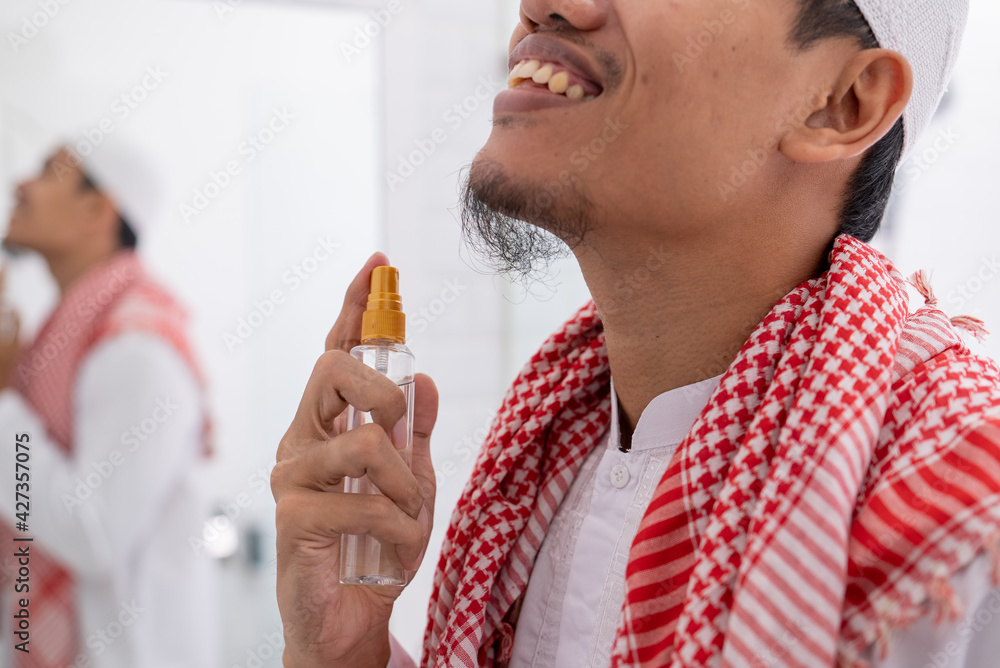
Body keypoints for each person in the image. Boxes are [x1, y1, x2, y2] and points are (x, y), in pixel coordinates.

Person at [271, 0, 1000, 666]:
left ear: (842, 105)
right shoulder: (549, 460)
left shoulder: (970, 520)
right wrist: (347, 652)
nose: (543, 7)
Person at [0, 143, 217, 667]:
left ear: (99, 209)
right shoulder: (61, 345)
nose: (20, 186)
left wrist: (3, 403)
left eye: (50, 173)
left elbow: (93, 534)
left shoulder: (136, 350)